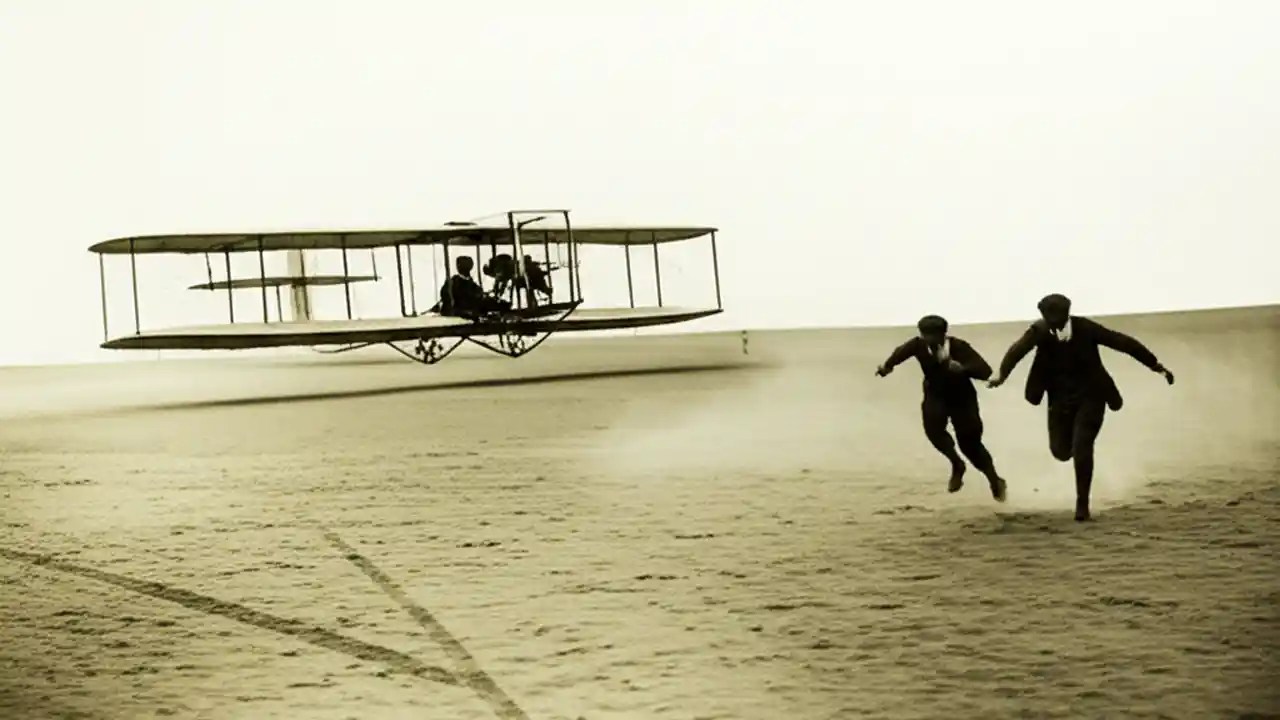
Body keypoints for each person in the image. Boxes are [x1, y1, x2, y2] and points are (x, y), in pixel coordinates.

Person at [987, 293, 1175, 522]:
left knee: (1082, 444)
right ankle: (1078, 465)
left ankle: (1082, 503)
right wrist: (1001, 376)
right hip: (1059, 400)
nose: (1054, 325)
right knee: (1061, 452)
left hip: (1092, 395)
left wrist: (1156, 366)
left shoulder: (1086, 328)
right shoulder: (1039, 331)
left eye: (1058, 320)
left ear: (1068, 314)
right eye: (1050, 320)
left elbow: (1123, 343)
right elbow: (1016, 351)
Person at [876, 315, 1008, 501]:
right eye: (925, 336)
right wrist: (886, 367)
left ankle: (994, 480)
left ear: (943, 334)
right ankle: (956, 463)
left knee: (970, 444)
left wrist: (963, 368)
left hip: (962, 398)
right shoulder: (917, 345)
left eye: (933, 336)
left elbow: (985, 370)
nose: (929, 340)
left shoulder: (958, 347)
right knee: (933, 430)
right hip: (935, 395)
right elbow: (899, 353)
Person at [437, 256, 508, 317]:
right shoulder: (453, 282)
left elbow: (479, 295)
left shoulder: (472, 284)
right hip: (460, 312)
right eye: (460, 265)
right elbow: (447, 298)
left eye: (466, 265)